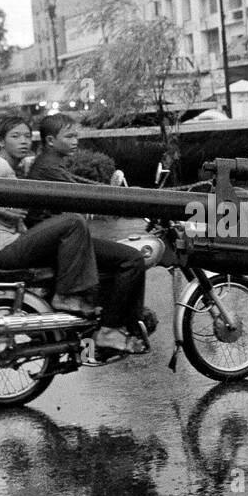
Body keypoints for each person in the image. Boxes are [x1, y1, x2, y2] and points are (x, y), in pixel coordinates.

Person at [0, 116, 137, 355]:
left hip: (5, 247)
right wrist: (5, 210)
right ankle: (67, 296)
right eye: (15, 137)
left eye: (27, 136)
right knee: (73, 222)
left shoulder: (12, 169)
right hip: (2, 250)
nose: (23, 142)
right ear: (0, 142)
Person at [26, 113, 147, 353]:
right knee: (132, 260)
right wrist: (125, 199)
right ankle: (110, 329)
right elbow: (83, 197)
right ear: (50, 141)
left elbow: (80, 189)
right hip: (60, 242)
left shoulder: (49, 165)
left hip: (61, 239)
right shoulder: (49, 168)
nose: (75, 141)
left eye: (76, 136)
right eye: (69, 136)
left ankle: (110, 319)